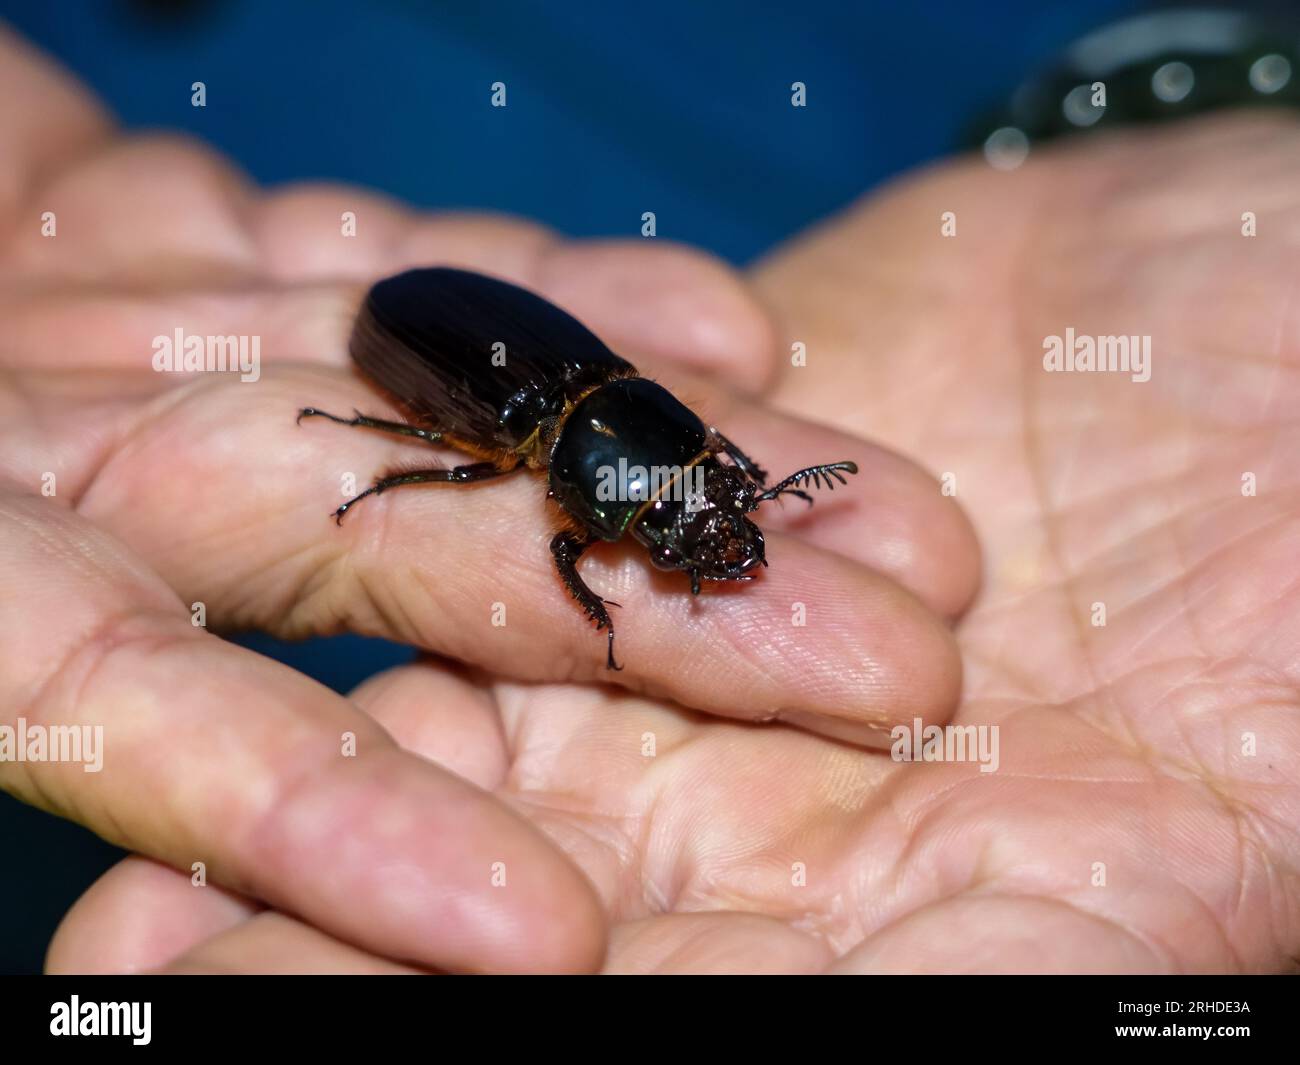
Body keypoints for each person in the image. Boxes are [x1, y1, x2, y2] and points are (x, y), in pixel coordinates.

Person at [1, 26, 1294, 973]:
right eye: (683, 515)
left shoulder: (628, 427)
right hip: (395, 299)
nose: (713, 533)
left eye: (705, 500)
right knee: (426, 461)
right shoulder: (527, 451)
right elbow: (561, 527)